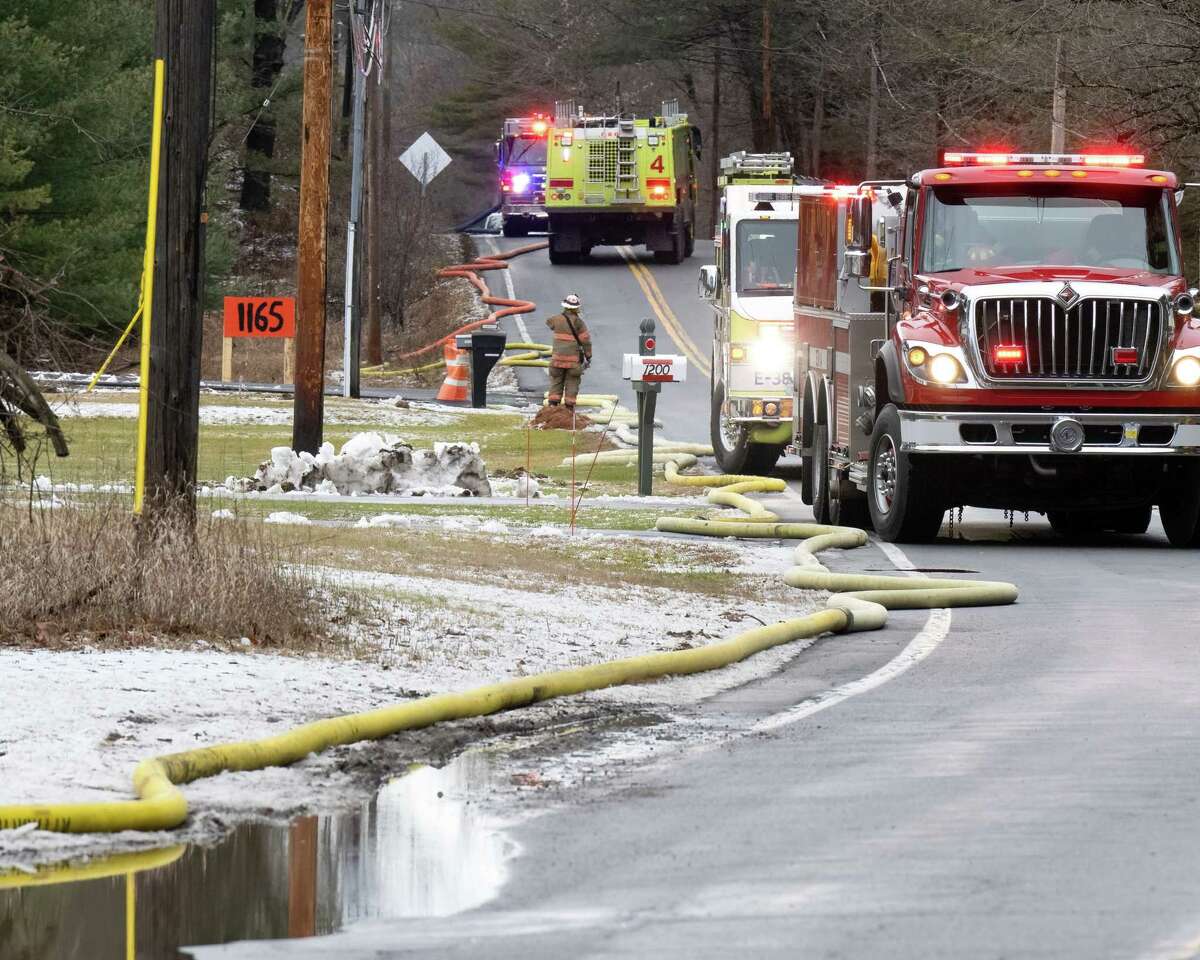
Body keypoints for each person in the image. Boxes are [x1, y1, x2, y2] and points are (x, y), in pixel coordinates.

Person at [545, 293, 592, 408]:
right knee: (572, 382)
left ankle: (552, 406)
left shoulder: (556, 319)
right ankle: (569, 408)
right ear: (577, 308)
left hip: (556, 360)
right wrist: (588, 355)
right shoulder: (578, 322)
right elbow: (585, 340)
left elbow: (549, 322)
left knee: (556, 381)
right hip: (573, 362)